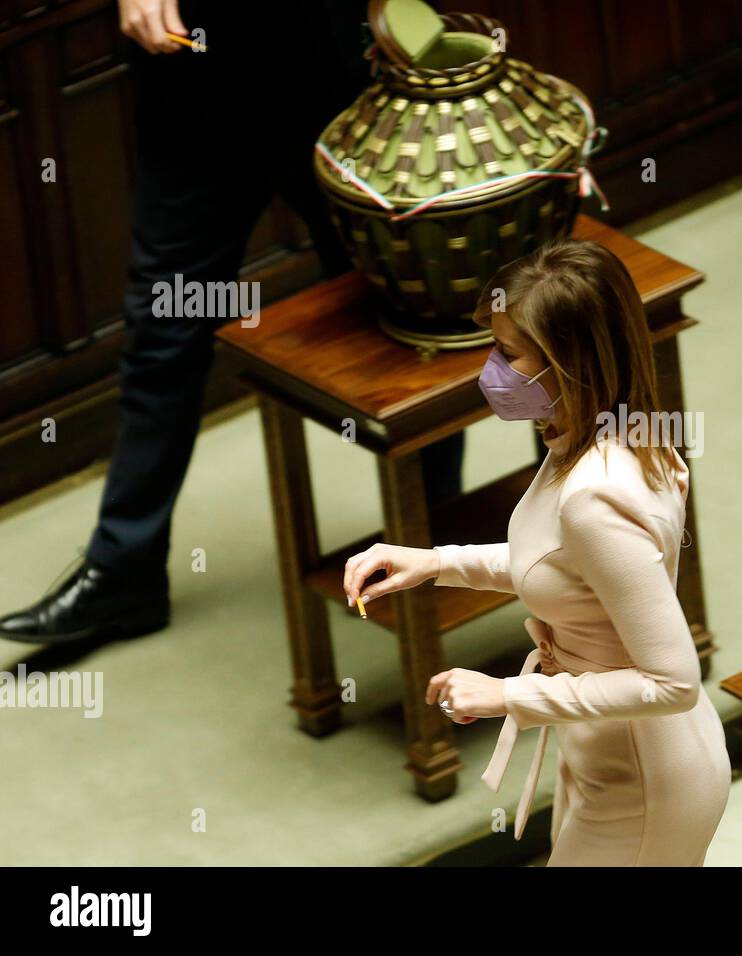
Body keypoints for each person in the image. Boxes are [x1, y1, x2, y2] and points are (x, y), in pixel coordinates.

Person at [1, 0, 474, 646]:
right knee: (162, 329)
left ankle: (433, 543)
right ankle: (125, 573)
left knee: (403, 305)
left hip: (330, 67)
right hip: (194, 75)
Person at [341, 239, 730, 866]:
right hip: (608, 753)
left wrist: (504, 698)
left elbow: (673, 682)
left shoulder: (595, 495)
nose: (489, 369)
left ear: (567, 361)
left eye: (507, 352)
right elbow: (562, 571)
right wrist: (437, 563)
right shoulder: (599, 433)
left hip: (646, 779)